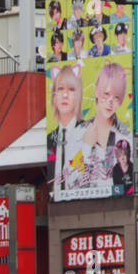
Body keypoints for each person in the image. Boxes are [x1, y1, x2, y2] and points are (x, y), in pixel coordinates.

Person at [81, 62, 132, 189]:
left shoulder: (126, 136)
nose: (110, 102)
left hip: (118, 197)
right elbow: (68, 181)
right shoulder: (78, 133)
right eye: (106, 94)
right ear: (96, 91)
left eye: (116, 97)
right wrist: (86, 147)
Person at [47, 64, 86, 194]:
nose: (65, 95)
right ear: (54, 97)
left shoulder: (87, 132)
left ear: (78, 96)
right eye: (60, 89)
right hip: (55, 202)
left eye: (71, 89)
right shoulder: (50, 139)